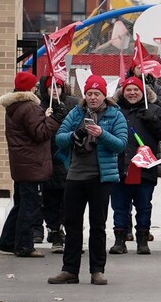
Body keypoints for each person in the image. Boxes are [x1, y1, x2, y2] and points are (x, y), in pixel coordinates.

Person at [48, 75, 129, 286]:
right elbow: (60, 138)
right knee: (73, 224)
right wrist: (77, 134)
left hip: (101, 178)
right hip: (75, 175)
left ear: (105, 95)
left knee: (98, 225)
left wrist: (102, 134)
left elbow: (120, 144)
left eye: (97, 93)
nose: (93, 97)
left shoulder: (115, 115)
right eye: (90, 93)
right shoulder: (76, 112)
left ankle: (97, 270)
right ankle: (69, 270)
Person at [0, 71, 62, 258]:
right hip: (32, 164)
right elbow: (41, 133)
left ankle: (8, 241)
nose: (36, 87)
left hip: (21, 164)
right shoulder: (30, 107)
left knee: (20, 204)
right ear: (29, 87)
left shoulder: (14, 107)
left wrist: (45, 117)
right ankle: (24, 246)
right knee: (30, 206)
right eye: (34, 85)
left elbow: (32, 128)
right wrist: (55, 119)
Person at [109, 76, 161, 255]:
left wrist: (153, 119)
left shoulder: (155, 109)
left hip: (145, 168)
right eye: (128, 90)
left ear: (143, 92)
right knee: (119, 206)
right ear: (123, 92)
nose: (132, 93)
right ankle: (119, 240)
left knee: (144, 205)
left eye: (136, 90)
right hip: (120, 167)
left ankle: (142, 240)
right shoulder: (115, 110)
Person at [36, 74, 77, 253]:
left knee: (67, 199)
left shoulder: (70, 106)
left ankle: (66, 230)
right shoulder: (40, 107)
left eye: (58, 87)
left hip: (66, 158)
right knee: (50, 197)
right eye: (51, 87)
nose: (55, 90)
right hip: (47, 158)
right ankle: (54, 230)